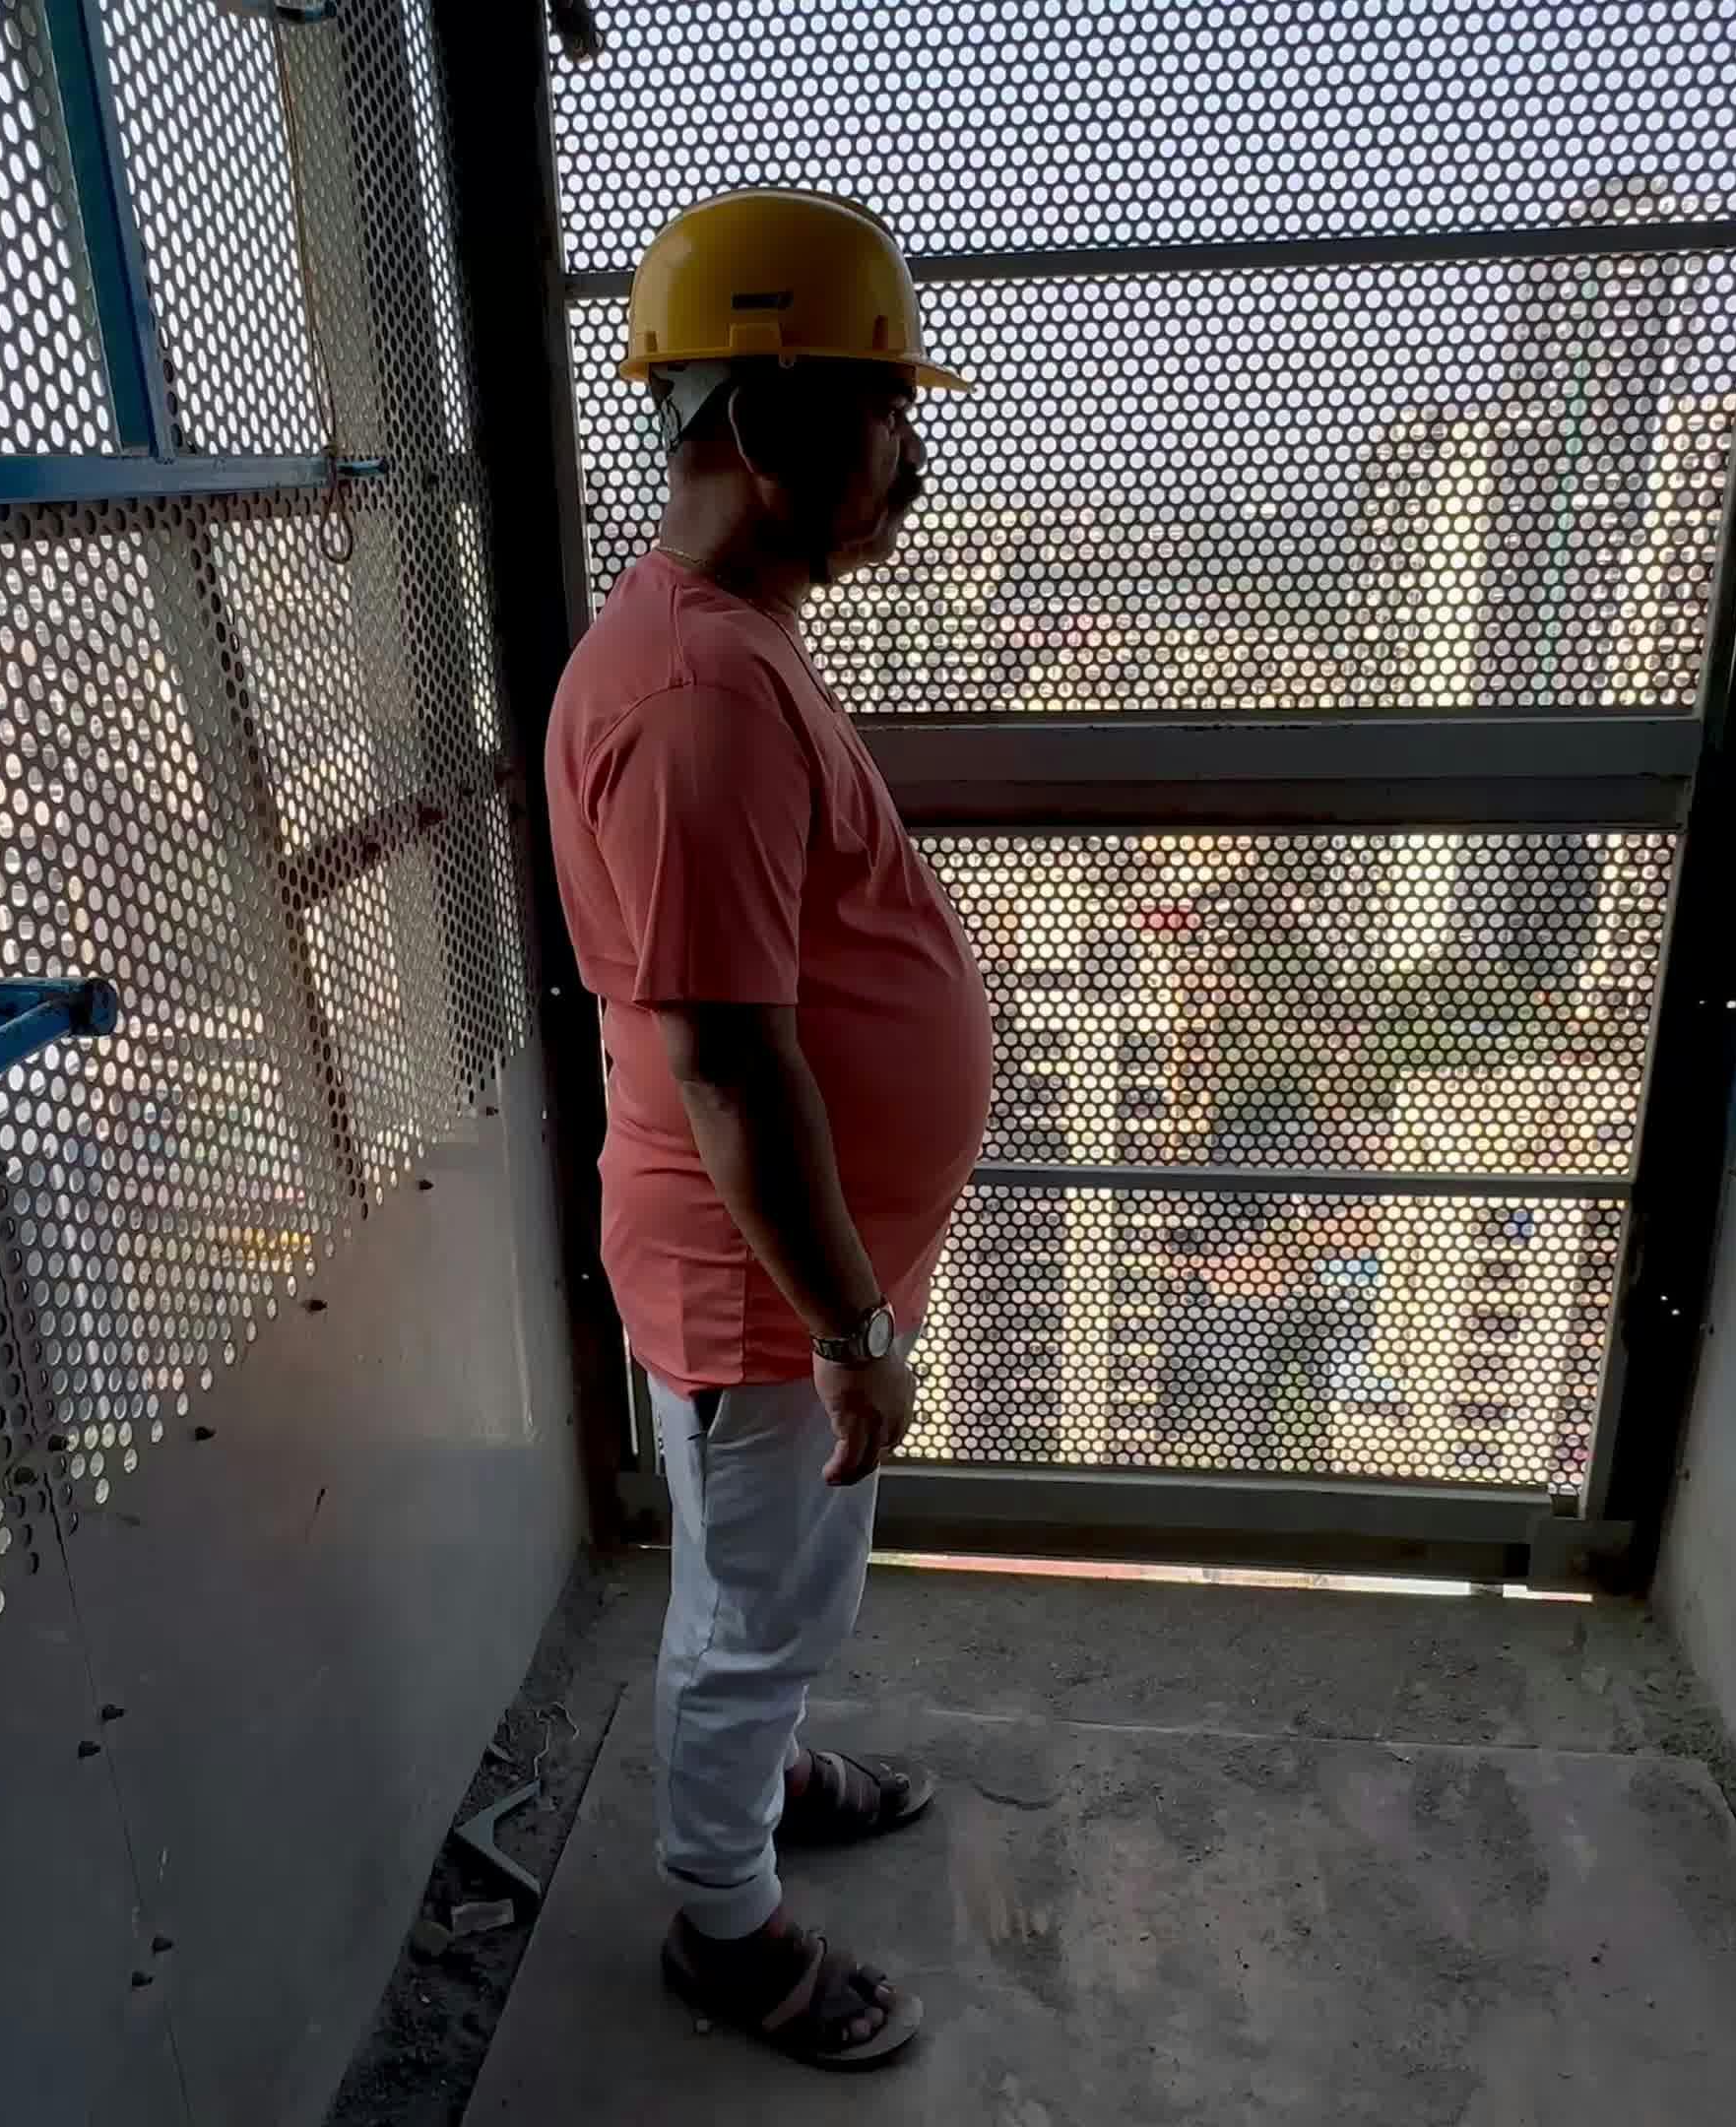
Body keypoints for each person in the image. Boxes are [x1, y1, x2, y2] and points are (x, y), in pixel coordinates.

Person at [542, 187, 994, 2071]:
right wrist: (852, 1329)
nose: (911, 453)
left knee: (772, 1590)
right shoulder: (704, 689)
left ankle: (771, 1778)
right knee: (746, 1613)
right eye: (880, 406)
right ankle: (725, 1925)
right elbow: (731, 1061)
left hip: (780, 1275)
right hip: (765, 1293)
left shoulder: (715, 634)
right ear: (753, 418)